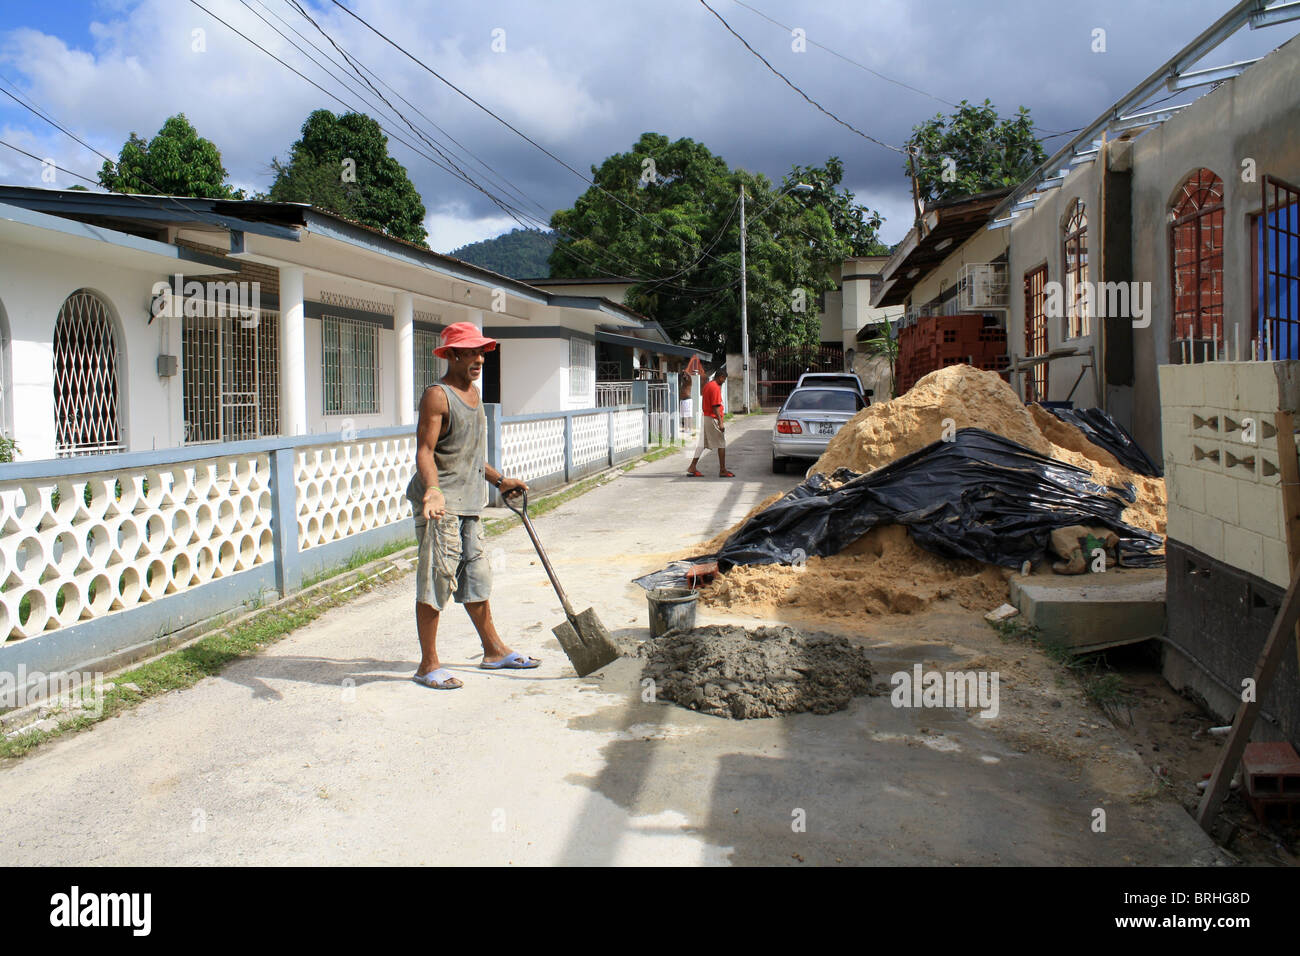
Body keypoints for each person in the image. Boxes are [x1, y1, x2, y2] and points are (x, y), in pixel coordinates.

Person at [404, 322, 538, 690]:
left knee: (477, 579)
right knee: (436, 581)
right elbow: (425, 451)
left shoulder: (475, 395)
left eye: (482, 352)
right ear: (451, 355)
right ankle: (427, 665)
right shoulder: (438, 395)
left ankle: (493, 650)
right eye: (470, 351)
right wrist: (432, 490)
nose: (479, 358)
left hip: (469, 505)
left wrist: (499, 480)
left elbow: (471, 455)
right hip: (441, 505)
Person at [686, 368, 733, 478]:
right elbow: (716, 407)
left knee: (702, 444)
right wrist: (720, 423)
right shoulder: (715, 387)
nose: (724, 381)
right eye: (724, 379)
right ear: (720, 377)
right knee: (721, 443)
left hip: (706, 417)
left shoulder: (708, 385)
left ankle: (692, 467)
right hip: (712, 418)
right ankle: (722, 470)